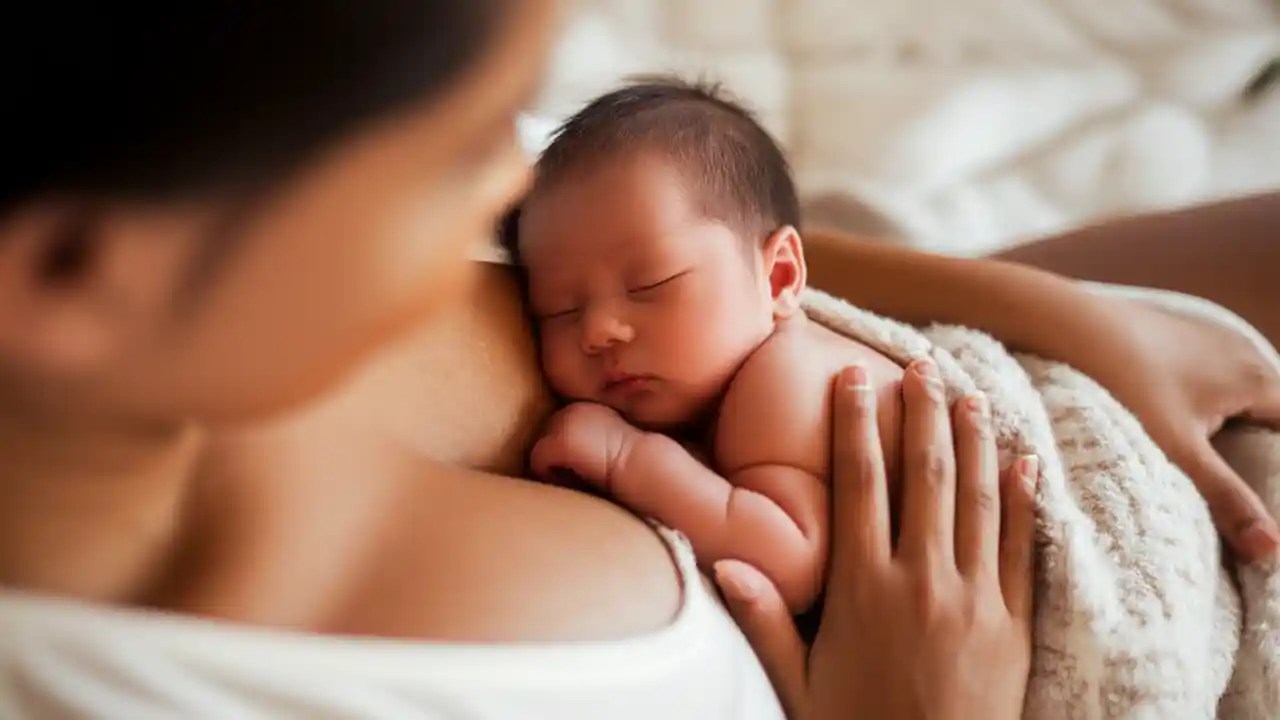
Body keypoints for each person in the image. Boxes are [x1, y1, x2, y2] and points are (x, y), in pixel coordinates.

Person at [0, 0, 1274, 717]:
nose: (512, 182)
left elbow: (725, 239)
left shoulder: (297, 157)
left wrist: (1061, 312)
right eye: (454, 153)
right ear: (67, 272)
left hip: (1022, 378)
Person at [511, 78, 1042, 615]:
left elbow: (789, 562)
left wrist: (626, 458)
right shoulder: (720, 380)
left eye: (651, 283)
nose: (598, 330)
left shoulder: (781, 378)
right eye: (559, 310)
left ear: (780, 277)